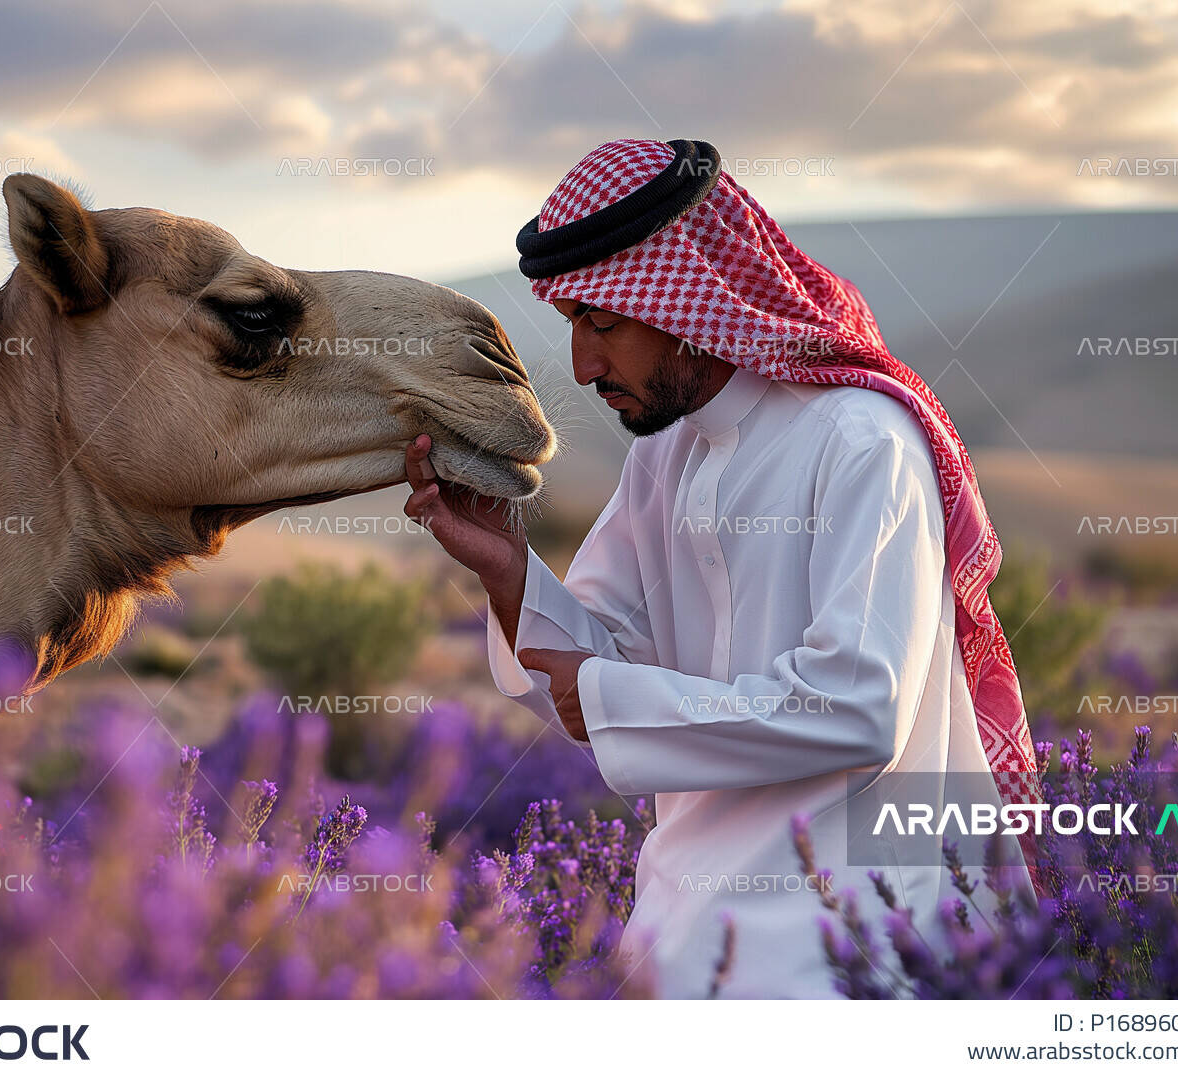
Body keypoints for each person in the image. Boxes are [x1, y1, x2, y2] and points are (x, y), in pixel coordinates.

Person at [403, 138, 1038, 997]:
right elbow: (586, 684)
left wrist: (607, 694)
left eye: (604, 323)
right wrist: (508, 571)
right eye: (575, 328)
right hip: (676, 937)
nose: (585, 367)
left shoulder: (859, 442)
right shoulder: (665, 459)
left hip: (844, 949)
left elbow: (858, 709)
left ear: (694, 295)